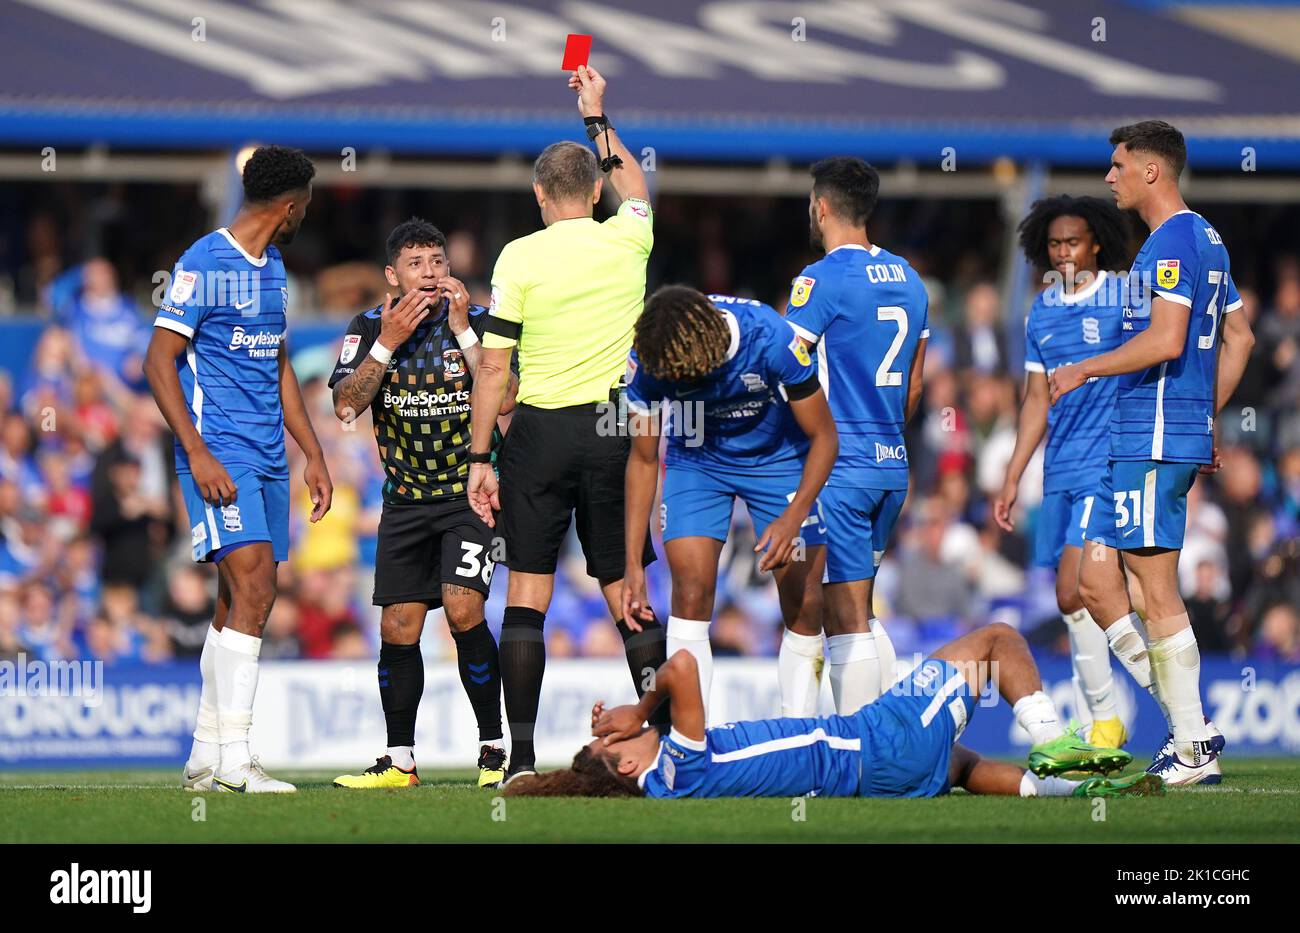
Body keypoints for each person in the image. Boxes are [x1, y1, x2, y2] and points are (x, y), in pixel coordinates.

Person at [466, 65, 666, 783]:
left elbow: (493, 369)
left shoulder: (519, 255)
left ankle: (519, 758)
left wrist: (480, 454)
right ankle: (662, 750)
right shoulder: (628, 239)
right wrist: (597, 113)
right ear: (595, 192)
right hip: (616, 424)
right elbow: (636, 187)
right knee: (626, 591)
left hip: (542, 429)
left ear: (540, 195)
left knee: (527, 590)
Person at [1050, 120, 1256, 785]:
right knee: (1100, 580)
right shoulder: (1208, 239)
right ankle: (1188, 728)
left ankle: (1193, 743)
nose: (1108, 177)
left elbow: (1167, 340)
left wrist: (1085, 368)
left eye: (1117, 165)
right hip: (1162, 431)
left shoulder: (1170, 246)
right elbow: (1241, 339)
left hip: (1152, 433)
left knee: (1154, 588)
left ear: (1150, 171)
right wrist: (1205, 417)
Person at [144, 145, 332, 794]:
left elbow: (278, 365)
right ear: (286, 208)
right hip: (220, 452)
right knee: (255, 588)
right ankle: (236, 760)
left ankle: (204, 753)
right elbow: (158, 360)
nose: (306, 213)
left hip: (271, 454)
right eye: (305, 204)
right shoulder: (203, 262)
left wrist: (313, 452)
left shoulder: (274, 267)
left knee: (235, 599)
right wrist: (196, 451)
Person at [504, 623, 1161, 801]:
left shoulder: (672, 788)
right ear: (621, 759)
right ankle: (1051, 741)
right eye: (614, 738)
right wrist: (637, 706)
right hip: (874, 741)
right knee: (995, 642)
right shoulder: (678, 762)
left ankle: (1077, 790)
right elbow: (680, 667)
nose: (629, 731)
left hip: (876, 775)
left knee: (959, 765)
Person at [327, 218, 517, 790]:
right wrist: (387, 343)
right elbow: (344, 406)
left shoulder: (482, 322)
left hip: (469, 495)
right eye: (417, 264)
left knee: (464, 610)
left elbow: (505, 396)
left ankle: (493, 752)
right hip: (405, 502)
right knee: (398, 626)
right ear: (393, 275)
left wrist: (463, 332)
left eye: (438, 261)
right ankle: (399, 762)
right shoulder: (366, 328)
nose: (431, 273)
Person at [621, 287, 838, 718]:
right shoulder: (648, 358)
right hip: (697, 461)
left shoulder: (770, 337)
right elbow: (644, 459)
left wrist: (794, 517)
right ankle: (691, 743)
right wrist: (632, 562)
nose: (684, 385)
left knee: (805, 598)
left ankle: (799, 736)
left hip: (777, 458)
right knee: (689, 590)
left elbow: (825, 438)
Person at [784, 157, 929, 715]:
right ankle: (887, 731)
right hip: (893, 465)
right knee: (861, 606)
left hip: (841, 466)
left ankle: (860, 749)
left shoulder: (819, 279)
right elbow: (915, 385)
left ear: (821, 207)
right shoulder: (910, 279)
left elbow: (786, 367)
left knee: (843, 613)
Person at [994, 195, 1132, 749]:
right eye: (1054, 244)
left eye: (1073, 242)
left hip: (1109, 462)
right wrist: (1012, 474)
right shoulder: (1042, 311)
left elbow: (1164, 348)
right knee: (1068, 598)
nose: (1064, 252)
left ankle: (1144, 718)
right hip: (1060, 471)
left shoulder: (1127, 296)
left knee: (1085, 585)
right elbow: (1034, 402)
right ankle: (1104, 720)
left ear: (1095, 242)